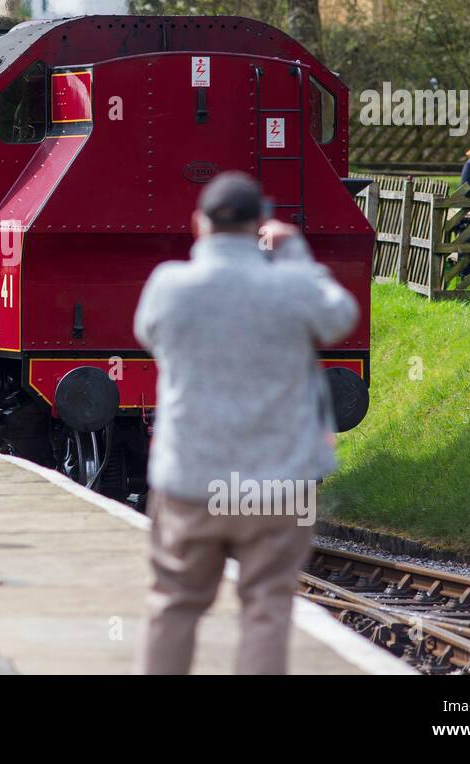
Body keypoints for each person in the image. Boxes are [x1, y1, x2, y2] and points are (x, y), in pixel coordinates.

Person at [132, 172, 358, 675]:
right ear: (260, 224)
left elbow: (147, 332)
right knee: (266, 610)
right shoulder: (291, 286)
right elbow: (340, 316)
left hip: (191, 480)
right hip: (277, 485)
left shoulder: (169, 285)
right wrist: (295, 254)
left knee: (172, 603)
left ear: (198, 224)